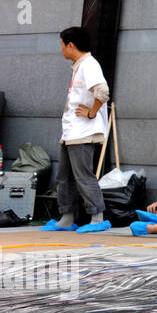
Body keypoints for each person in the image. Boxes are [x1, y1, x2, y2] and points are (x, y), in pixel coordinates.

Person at [42, 26, 112, 233]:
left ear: (70, 45)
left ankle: (97, 216)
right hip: (71, 132)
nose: (61, 49)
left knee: (83, 175)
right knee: (64, 177)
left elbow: (103, 91)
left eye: (62, 45)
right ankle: (67, 216)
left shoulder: (90, 65)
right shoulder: (78, 66)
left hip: (83, 132)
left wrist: (92, 113)